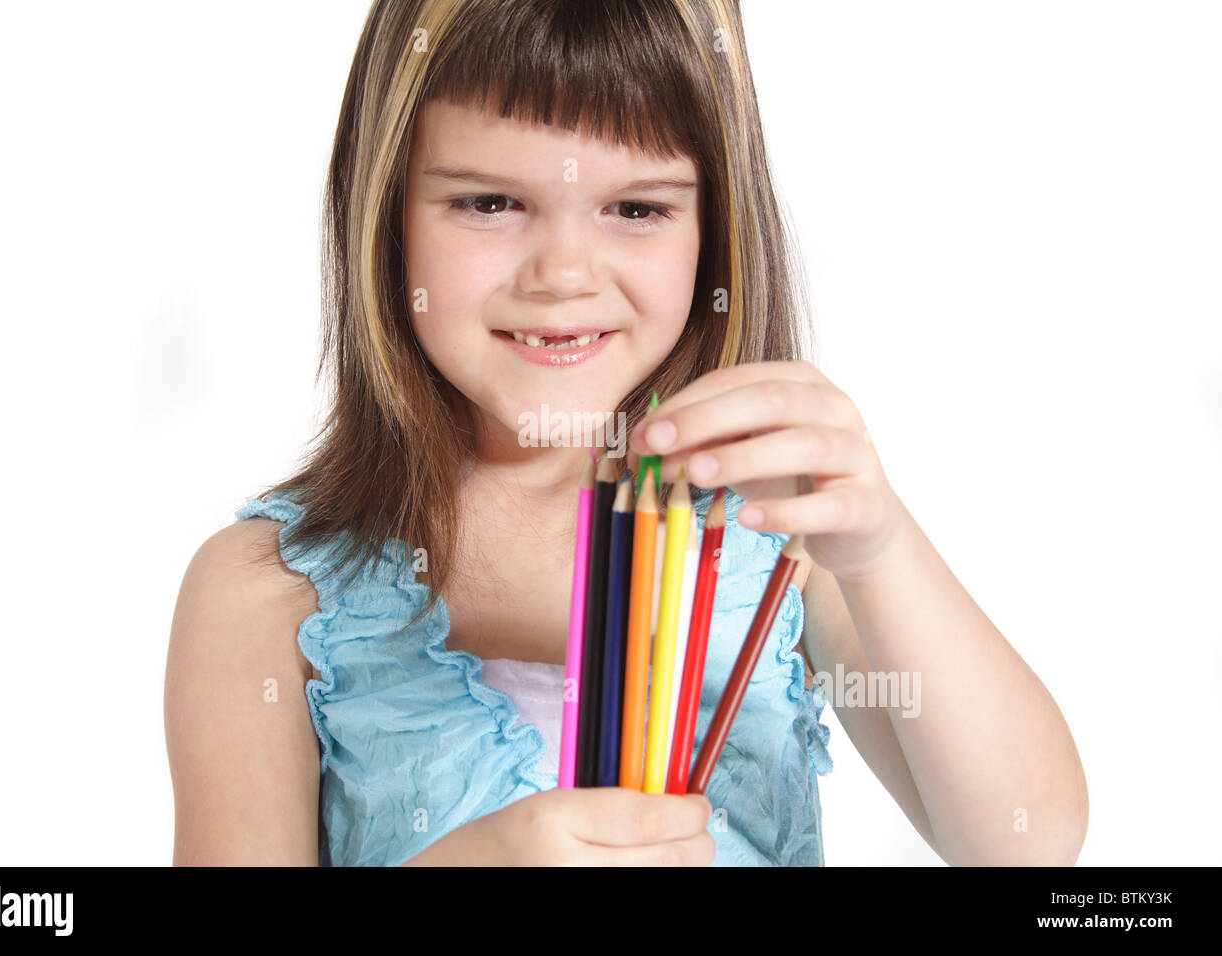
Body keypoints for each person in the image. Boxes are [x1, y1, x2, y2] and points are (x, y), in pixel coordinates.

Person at [164, 0, 1087, 866]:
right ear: (383, 218)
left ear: (713, 230)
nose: (564, 272)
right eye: (489, 202)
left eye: (637, 208)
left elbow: (1024, 840)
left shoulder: (775, 535)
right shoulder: (267, 594)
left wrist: (879, 547)